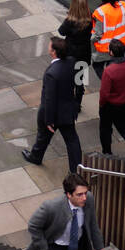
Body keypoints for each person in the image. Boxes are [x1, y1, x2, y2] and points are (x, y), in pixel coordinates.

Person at [22, 38, 83, 172]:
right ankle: (76, 169)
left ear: (53, 52)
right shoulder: (72, 62)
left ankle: (36, 157)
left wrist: (49, 120)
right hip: (68, 110)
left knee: (43, 135)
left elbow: (49, 98)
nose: (48, 48)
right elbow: (78, 80)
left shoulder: (52, 73)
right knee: (72, 140)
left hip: (52, 113)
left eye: (49, 46)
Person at [27, 173, 104, 250]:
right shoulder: (51, 207)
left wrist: (98, 245)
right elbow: (33, 225)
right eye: (79, 194)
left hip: (78, 245)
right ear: (68, 194)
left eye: (85, 192)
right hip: (56, 248)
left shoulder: (89, 198)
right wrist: (44, 247)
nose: (84, 197)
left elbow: (93, 223)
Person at [98, 39, 125, 158]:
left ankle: (107, 152)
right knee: (123, 126)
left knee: (105, 128)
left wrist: (102, 105)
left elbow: (104, 93)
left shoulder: (109, 71)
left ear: (111, 53)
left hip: (110, 105)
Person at [91, 0, 125, 79]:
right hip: (119, 46)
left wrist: (90, 40)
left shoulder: (100, 12)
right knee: (113, 66)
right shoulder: (123, 7)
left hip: (103, 48)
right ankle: (113, 81)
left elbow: (98, 34)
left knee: (97, 66)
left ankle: (108, 82)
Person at [59, 0, 92, 111]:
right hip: (84, 54)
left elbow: (61, 31)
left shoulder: (70, 21)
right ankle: (77, 104)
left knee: (68, 79)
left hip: (71, 54)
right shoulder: (90, 18)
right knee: (80, 80)